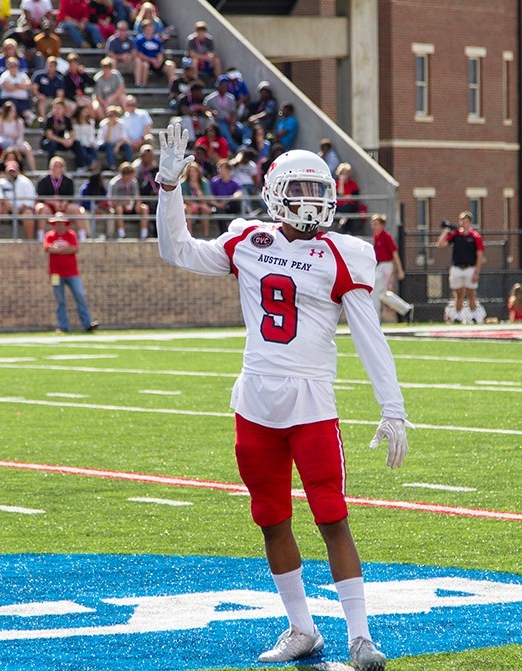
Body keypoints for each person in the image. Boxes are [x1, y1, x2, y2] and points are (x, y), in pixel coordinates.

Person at [155, 121, 407, 670]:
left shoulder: (344, 253)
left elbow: (370, 335)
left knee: (331, 516)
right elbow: (177, 250)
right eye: (300, 192)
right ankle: (301, 628)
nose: (311, 204)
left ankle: (360, 636)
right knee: (270, 517)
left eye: (320, 193)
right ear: (275, 195)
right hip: (256, 403)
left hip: (313, 403)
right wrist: (168, 187)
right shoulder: (250, 238)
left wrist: (393, 407)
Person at [44, 212, 99, 333]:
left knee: (80, 296)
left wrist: (58, 249)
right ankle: (63, 326)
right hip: (55, 274)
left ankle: (87, 323)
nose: (59, 226)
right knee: (60, 300)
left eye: (61, 223)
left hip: (72, 273)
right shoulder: (49, 235)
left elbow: (74, 248)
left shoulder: (71, 235)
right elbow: (48, 249)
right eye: (57, 223)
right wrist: (65, 249)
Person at [436, 212, 484, 324]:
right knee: (458, 294)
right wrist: (446, 231)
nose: (463, 223)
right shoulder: (456, 235)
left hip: (470, 268)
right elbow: (440, 244)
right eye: (462, 221)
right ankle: (457, 316)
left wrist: (476, 271)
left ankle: (473, 316)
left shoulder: (475, 236)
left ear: (470, 222)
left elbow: (480, 255)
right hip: (457, 268)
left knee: (471, 293)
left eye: (466, 221)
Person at [36, 156, 88, 239]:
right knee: (42, 209)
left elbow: (70, 196)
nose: (57, 168)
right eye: (54, 166)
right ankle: (40, 236)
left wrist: (64, 202)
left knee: (77, 209)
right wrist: (52, 202)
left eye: (59, 166)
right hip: (48, 205)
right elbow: (40, 196)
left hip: (63, 205)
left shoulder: (68, 180)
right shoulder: (43, 179)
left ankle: (83, 236)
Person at [0, 160, 38, 238]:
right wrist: (10, 207)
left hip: (22, 210)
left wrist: (19, 209)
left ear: (18, 170)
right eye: (10, 171)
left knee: (28, 213)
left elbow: (31, 199)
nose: (11, 173)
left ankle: (29, 240)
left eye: (13, 171)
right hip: (6, 210)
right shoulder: (0, 182)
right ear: (6, 171)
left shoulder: (26, 182)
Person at [370, 214, 403, 320]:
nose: (373, 226)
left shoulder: (386, 236)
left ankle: (375, 319)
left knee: (375, 292)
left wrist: (399, 270)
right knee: (382, 294)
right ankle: (406, 309)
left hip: (386, 266)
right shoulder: (376, 236)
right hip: (379, 266)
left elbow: (394, 254)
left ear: (382, 225)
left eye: (376, 224)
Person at [107, 161, 149, 239]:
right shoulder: (114, 183)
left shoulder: (133, 181)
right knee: (119, 209)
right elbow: (112, 201)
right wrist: (122, 203)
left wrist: (137, 204)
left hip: (131, 205)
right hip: (119, 206)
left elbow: (137, 196)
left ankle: (144, 234)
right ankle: (122, 234)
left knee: (144, 208)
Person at [132, 19, 173, 88]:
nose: (149, 30)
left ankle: (172, 87)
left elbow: (159, 53)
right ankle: (143, 85)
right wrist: (151, 60)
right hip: (146, 61)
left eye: (151, 28)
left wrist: (159, 62)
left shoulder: (157, 40)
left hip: (156, 62)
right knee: (145, 65)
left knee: (171, 65)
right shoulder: (139, 39)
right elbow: (139, 54)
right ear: (143, 30)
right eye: (147, 29)